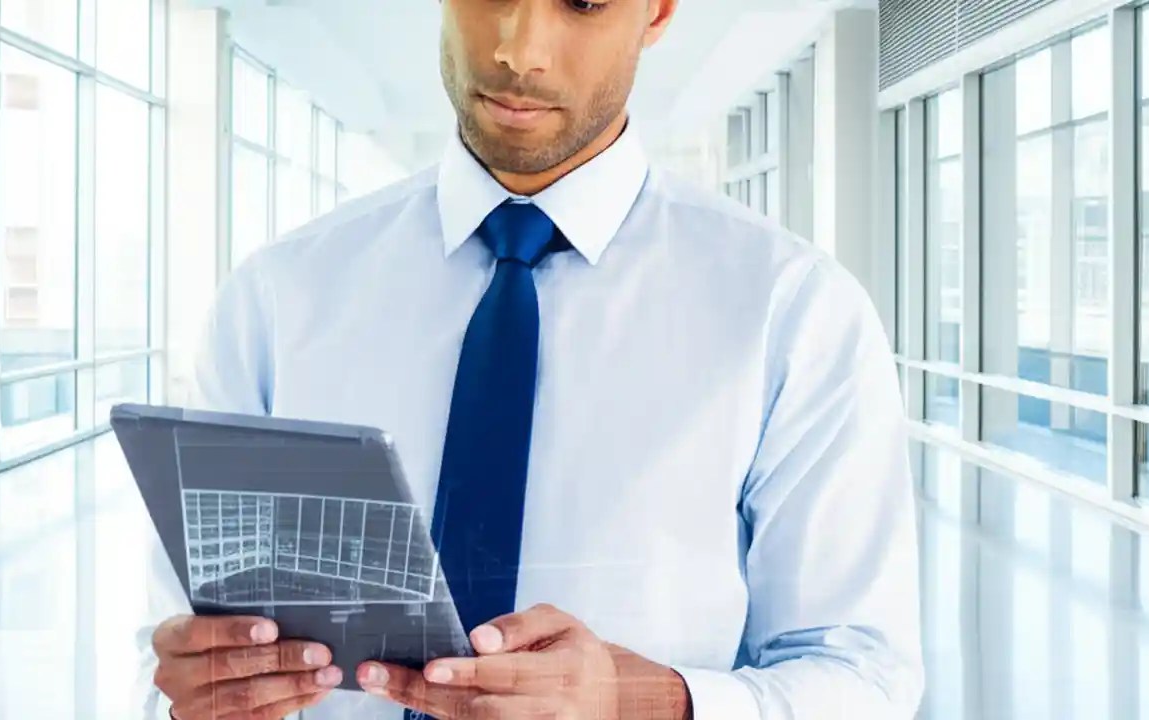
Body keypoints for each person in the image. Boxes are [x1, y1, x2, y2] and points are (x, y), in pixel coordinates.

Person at [141, 0, 923, 718]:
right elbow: (173, 645)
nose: (519, 48)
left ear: (657, 12)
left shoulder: (792, 311)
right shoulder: (280, 296)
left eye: (582, 2)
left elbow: (865, 674)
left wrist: (641, 700)